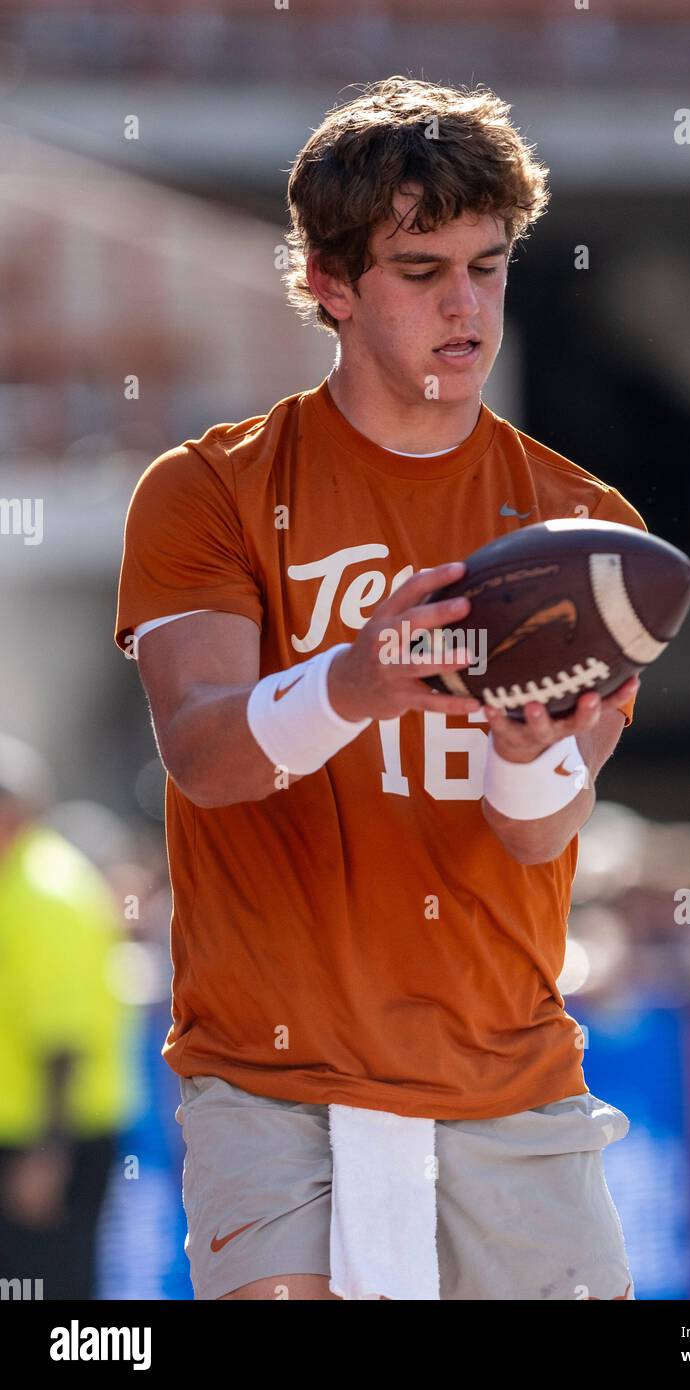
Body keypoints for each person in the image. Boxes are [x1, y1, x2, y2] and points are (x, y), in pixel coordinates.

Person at [114, 76, 646, 1301]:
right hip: (272, 1082)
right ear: (329, 285)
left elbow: (534, 827)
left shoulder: (587, 532)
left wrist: (529, 739)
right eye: (420, 271)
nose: (464, 305)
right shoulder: (207, 490)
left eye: (488, 264)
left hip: (507, 1082)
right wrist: (352, 678)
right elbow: (204, 753)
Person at [0, 736, 131, 1299]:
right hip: (32, 1129)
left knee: (46, 1290)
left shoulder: (48, 891)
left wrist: (45, 1156)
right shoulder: (25, 881)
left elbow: (65, 1037)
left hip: (50, 1134)